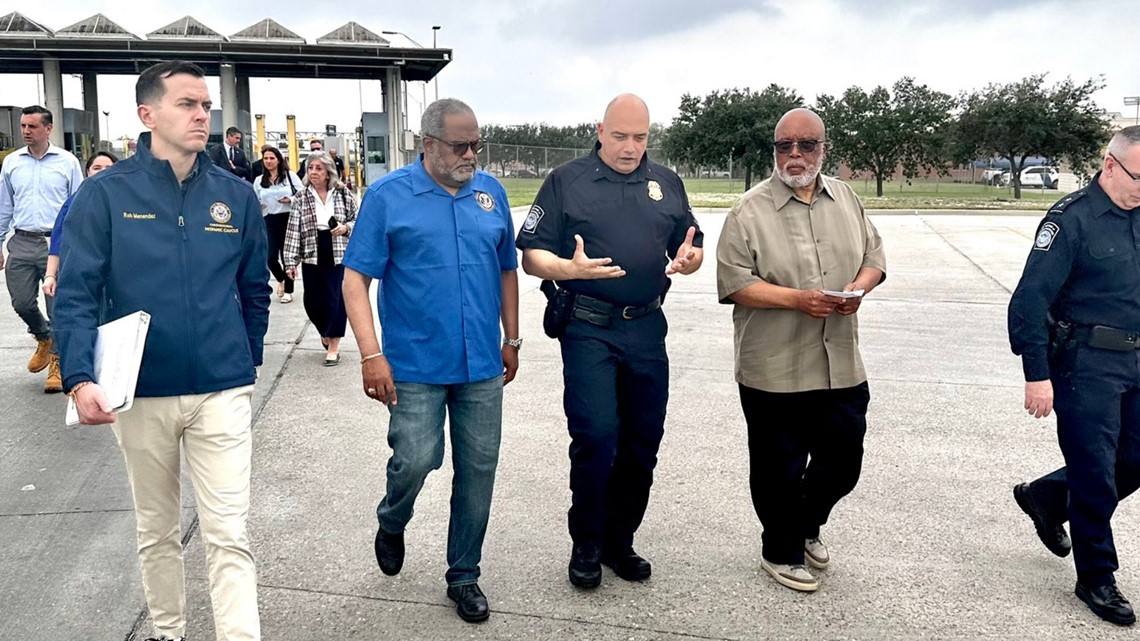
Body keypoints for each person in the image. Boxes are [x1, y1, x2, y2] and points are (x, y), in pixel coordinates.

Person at [53, 60, 271, 641]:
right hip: (141, 391)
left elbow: (254, 287)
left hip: (221, 389)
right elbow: (75, 293)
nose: (202, 115)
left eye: (206, 105)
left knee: (229, 533)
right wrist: (79, 377)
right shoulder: (105, 194)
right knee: (157, 530)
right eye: (187, 104)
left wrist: (245, 357)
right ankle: (168, 632)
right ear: (147, 115)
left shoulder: (234, 196)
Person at [342, 97, 519, 624]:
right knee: (416, 458)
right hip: (414, 364)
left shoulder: (490, 193)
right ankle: (393, 519)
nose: (471, 155)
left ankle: (463, 574)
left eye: (476, 144)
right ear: (428, 144)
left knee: (478, 470)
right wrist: (370, 354)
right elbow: (355, 279)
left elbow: (507, 268)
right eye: (460, 146)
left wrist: (512, 338)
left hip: (481, 363)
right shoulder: (388, 196)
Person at [516, 93, 702, 589]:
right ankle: (587, 542)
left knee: (643, 441)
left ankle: (621, 540)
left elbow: (691, 245)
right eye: (619, 136)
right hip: (589, 328)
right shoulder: (567, 181)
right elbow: (531, 255)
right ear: (600, 131)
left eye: (640, 137)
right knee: (597, 436)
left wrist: (689, 261)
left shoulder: (665, 182)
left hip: (646, 327)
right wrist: (568, 268)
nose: (630, 147)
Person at [715, 108, 886, 593]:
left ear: (823, 149)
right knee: (778, 468)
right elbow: (735, 283)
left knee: (844, 461)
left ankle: (806, 523)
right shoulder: (748, 211)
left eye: (806, 145)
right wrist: (798, 300)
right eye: (784, 145)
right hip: (774, 366)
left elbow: (874, 256)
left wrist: (858, 288)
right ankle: (781, 549)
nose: (795, 154)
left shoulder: (846, 197)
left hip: (840, 361)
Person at [1008, 125, 1140, 626]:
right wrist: (1036, 373)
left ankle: (1046, 496)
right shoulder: (1071, 221)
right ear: (1110, 166)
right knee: (1094, 473)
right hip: (1085, 365)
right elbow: (1029, 301)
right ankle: (1097, 577)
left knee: (1134, 460)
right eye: (1139, 178)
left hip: (1135, 359)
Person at [0, 104, 84, 393]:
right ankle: (43, 336)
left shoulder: (67, 162)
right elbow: (4, 206)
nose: (26, 131)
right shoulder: (12, 163)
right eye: (23, 125)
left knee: (57, 306)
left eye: (32, 126)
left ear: (48, 128)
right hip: (22, 241)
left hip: (55, 243)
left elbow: (78, 206)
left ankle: (57, 363)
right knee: (21, 303)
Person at [284, 150, 356, 365]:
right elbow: (293, 229)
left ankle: (333, 346)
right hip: (312, 249)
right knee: (313, 301)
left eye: (318, 168)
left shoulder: (342, 193)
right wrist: (290, 261)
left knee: (336, 298)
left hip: (338, 248)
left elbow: (359, 218)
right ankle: (325, 331)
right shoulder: (301, 197)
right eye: (310, 168)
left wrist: (346, 228)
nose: (313, 172)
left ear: (328, 172)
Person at [42, 151, 118, 298]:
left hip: (119, 278)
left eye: (108, 168)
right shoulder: (74, 202)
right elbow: (58, 241)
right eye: (97, 168)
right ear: (87, 172)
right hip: (83, 275)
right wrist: (50, 275)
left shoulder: (129, 202)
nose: (102, 172)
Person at [253, 145, 300, 303]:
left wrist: (290, 199)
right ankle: (282, 279)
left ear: (279, 160)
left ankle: (289, 290)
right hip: (269, 220)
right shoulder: (259, 180)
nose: (268, 161)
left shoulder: (290, 177)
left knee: (288, 257)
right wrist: (257, 205)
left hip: (288, 219)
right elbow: (254, 198)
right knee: (270, 258)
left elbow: (302, 194)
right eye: (265, 158)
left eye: (272, 158)